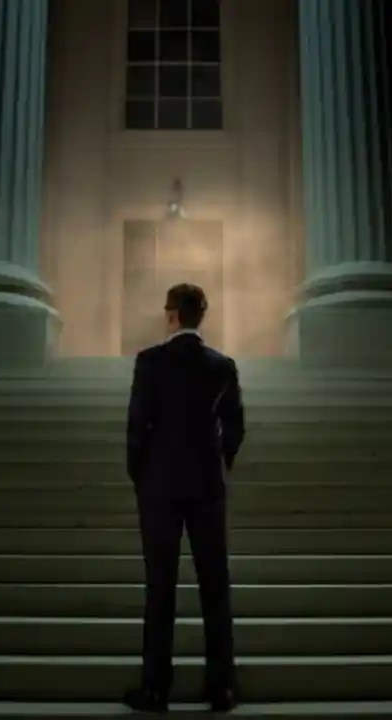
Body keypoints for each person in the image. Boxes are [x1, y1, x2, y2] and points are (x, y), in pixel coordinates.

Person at [123, 283, 245, 713]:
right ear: (200, 317)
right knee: (215, 588)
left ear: (171, 314)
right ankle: (222, 688)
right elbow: (235, 429)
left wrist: (143, 477)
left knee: (160, 589)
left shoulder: (150, 362)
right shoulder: (222, 365)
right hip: (207, 488)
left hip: (160, 488)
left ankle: (156, 688)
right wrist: (217, 464)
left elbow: (137, 429)